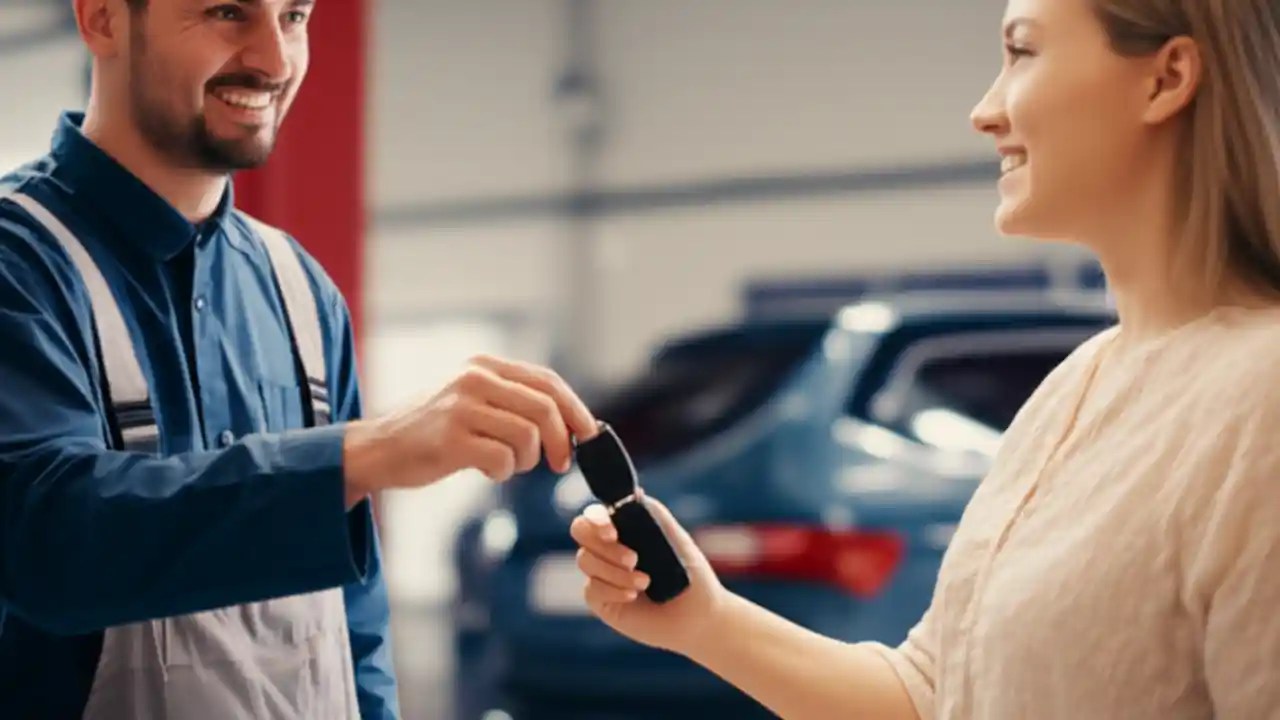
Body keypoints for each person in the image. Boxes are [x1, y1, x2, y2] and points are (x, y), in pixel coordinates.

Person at [571, 0, 1280, 717]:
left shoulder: (1262, 400)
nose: (984, 111)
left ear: (1166, 79)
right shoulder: (1077, 386)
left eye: (1023, 53)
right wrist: (707, 622)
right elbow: (935, 694)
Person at [0, 0, 598, 718]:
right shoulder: (20, 262)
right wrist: (360, 454)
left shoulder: (299, 290)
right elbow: (48, 541)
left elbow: (354, 626)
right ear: (101, 19)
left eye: (293, 17)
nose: (275, 61)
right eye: (228, 13)